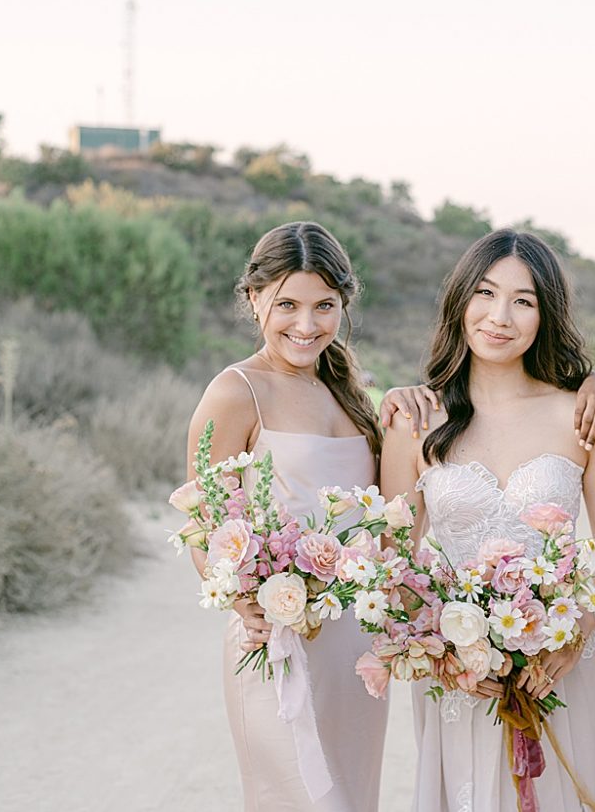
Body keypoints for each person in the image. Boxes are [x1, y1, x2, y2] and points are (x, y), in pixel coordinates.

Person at [381, 229, 595, 812]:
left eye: (524, 301)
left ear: (546, 316)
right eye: (486, 293)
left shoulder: (583, 415)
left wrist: (571, 637)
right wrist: (445, 651)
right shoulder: (415, 421)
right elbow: (392, 562)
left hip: (566, 665)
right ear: (461, 298)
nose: (500, 316)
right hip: (461, 674)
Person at [184, 222, 389, 812]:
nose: (307, 324)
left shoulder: (350, 390)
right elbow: (202, 521)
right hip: (276, 639)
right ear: (254, 299)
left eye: (324, 305)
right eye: (287, 305)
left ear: (343, 303)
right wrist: (240, 598)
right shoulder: (236, 391)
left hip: (354, 645)